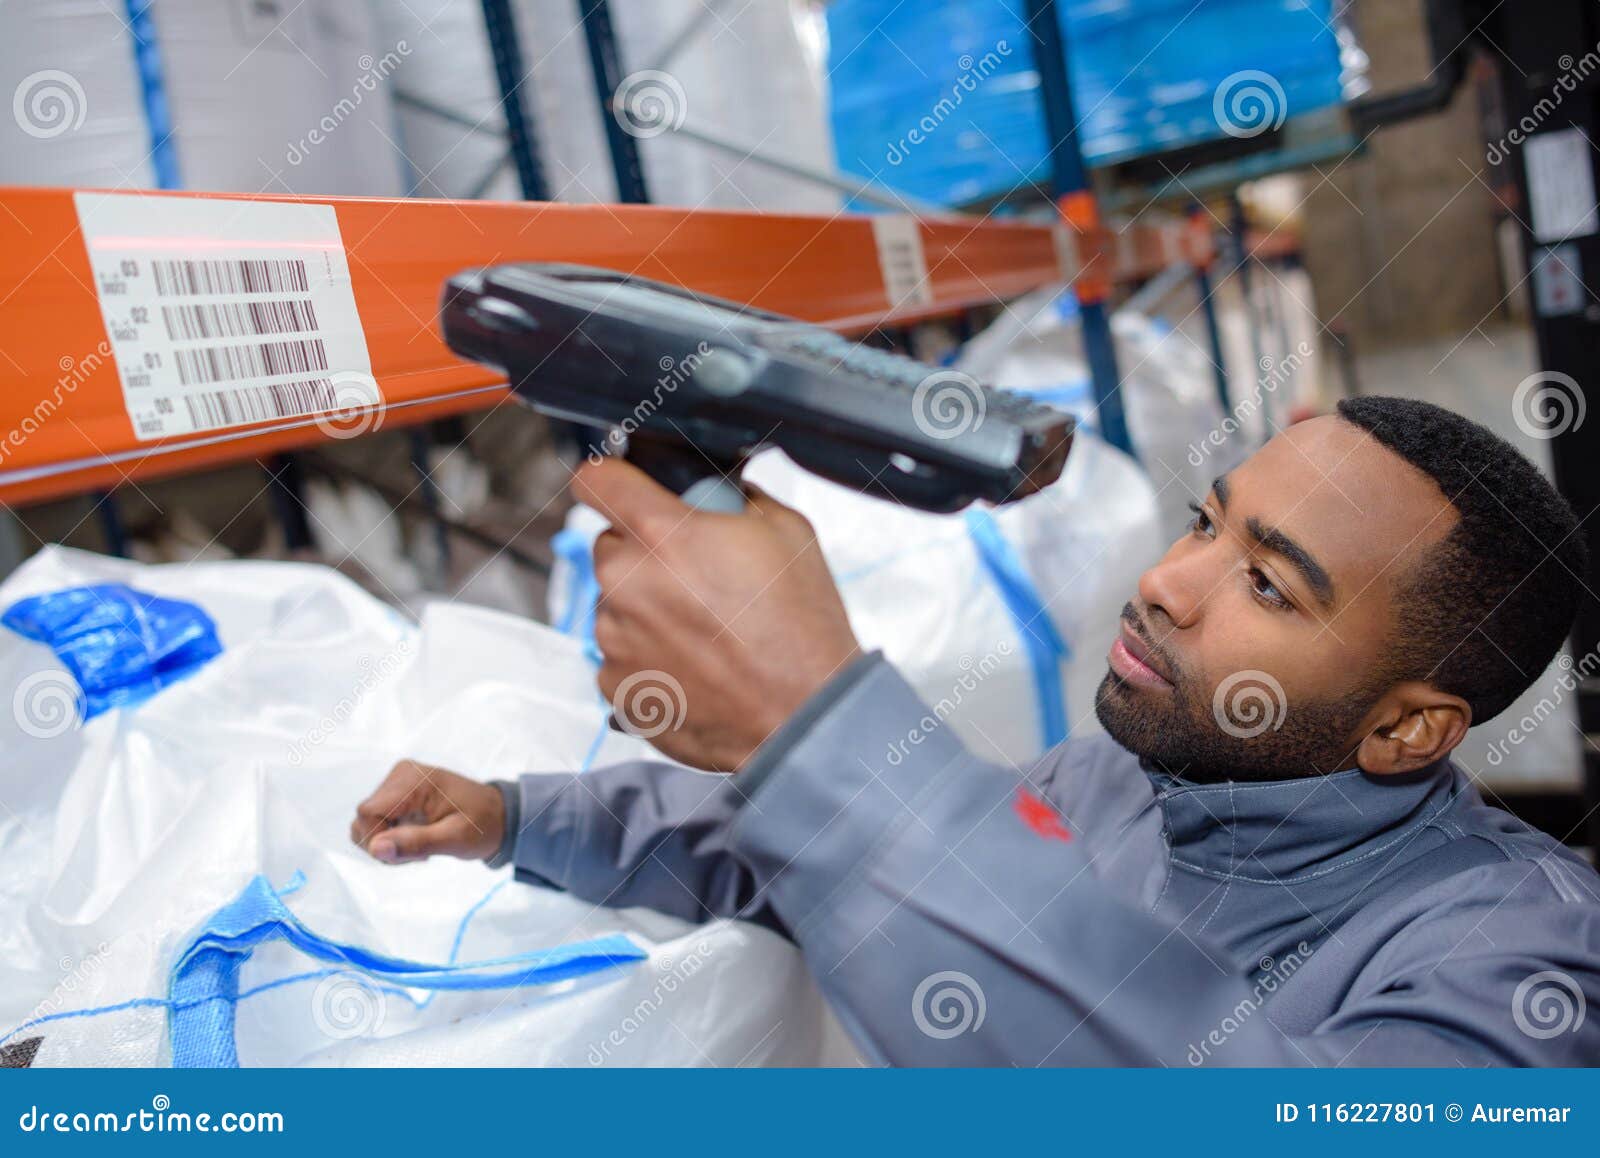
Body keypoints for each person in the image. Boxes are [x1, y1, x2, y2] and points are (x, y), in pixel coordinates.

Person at [352, 396, 1600, 1065]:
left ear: (1407, 729)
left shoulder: (1528, 961)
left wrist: (812, 714)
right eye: (1204, 523)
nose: (1170, 582)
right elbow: (823, 861)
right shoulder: (1121, 776)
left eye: (1269, 585)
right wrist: (528, 817)